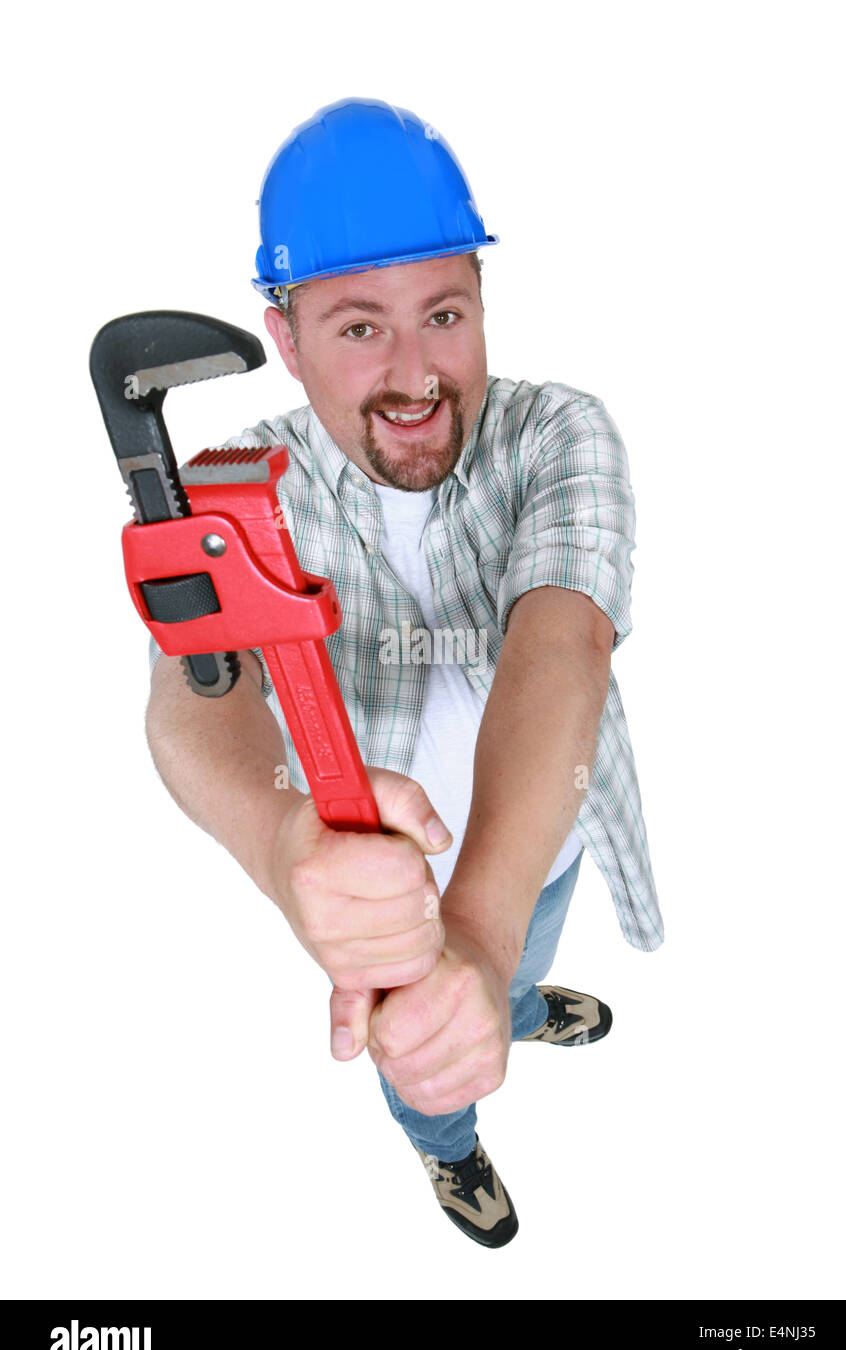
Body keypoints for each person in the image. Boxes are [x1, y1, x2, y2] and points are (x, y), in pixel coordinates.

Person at [145, 97, 665, 1248]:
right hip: (383, 899)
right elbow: (190, 698)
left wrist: (480, 932)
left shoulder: (558, 433)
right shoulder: (232, 482)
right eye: (358, 327)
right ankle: (448, 1146)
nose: (416, 373)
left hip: (543, 845)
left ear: (480, 300)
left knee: (511, 965)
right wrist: (278, 838)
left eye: (442, 313)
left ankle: (515, 1000)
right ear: (285, 339)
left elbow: (563, 640)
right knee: (426, 1047)